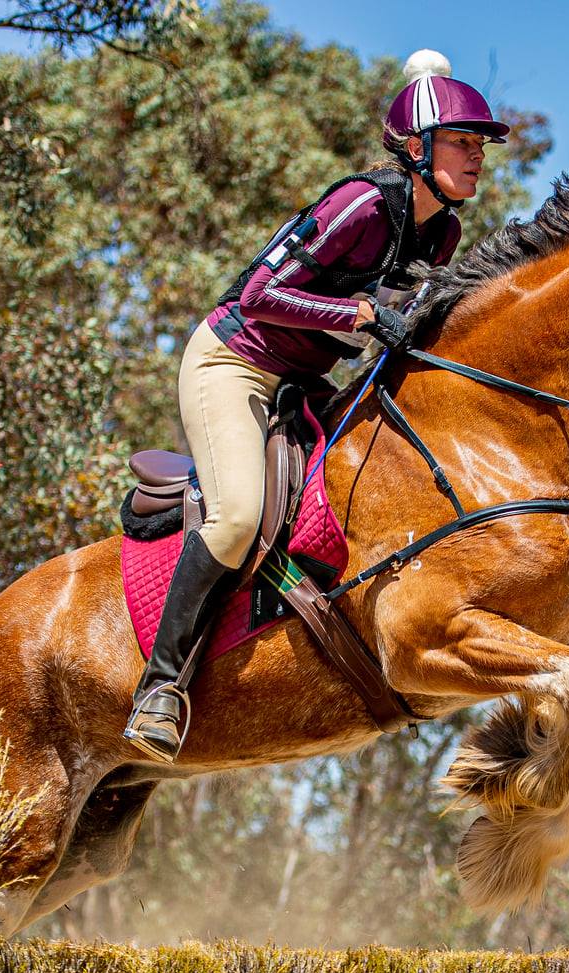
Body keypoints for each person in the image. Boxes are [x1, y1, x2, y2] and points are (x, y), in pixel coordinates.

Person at [125, 49, 510, 763]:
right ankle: (162, 686)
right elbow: (256, 297)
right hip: (235, 362)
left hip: (306, 381)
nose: (475, 156)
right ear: (415, 147)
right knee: (239, 513)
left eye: (479, 144)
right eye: (462, 141)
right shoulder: (360, 204)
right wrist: (362, 313)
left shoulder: (443, 232)